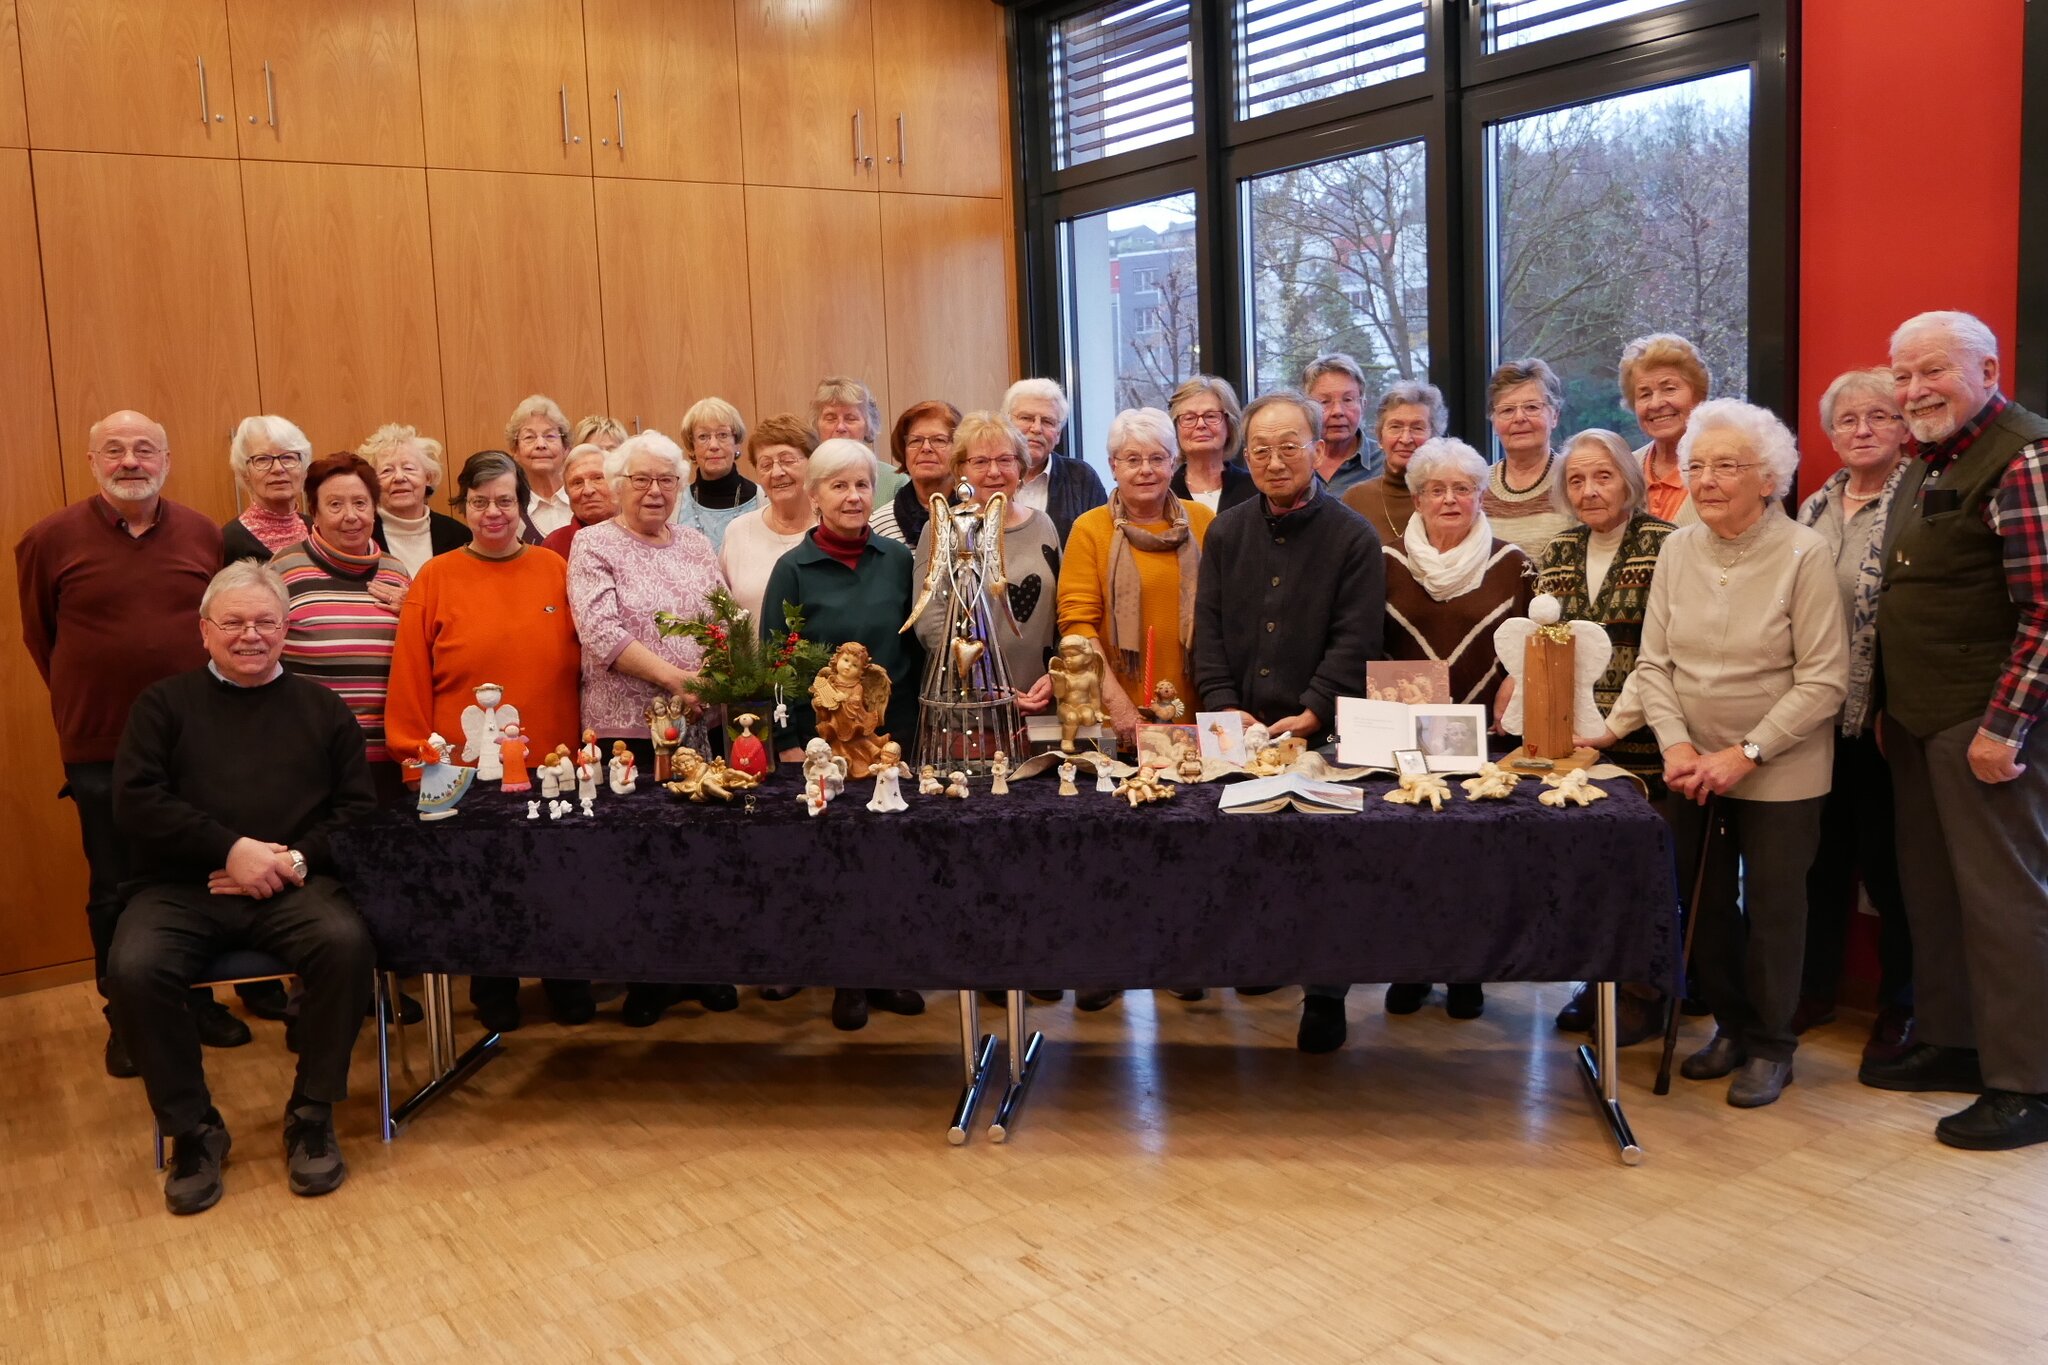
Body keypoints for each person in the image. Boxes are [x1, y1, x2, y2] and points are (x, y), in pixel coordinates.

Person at [106, 560, 377, 1214]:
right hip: (185, 883)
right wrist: (231, 848)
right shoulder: (163, 704)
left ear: (286, 629)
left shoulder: (321, 707)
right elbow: (136, 802)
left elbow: (357, 809)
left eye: (265, 621)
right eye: (233, 622)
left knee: (345, 944)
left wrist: (294, 859)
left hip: (293, 883)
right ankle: (193, 1130)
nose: (249, 634)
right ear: (204, 631)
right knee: (134, 968)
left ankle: (310, 1112)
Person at [15, 409, 249, 1074]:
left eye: (144, 449)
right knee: (116, 884)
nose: (130, 461)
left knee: (202, 872)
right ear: (93, 462)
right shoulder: (49, 538)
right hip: (101, 744)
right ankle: (129, 1016)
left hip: (200, 739)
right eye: (114, 450)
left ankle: (196, 1001)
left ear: (166, 460)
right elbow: (43, 637)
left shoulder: (204, 533)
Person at [1864, 310, 2048, 1151]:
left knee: (2006, 904)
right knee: (1933, 894)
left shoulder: (2024, 454)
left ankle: (2028, 1082)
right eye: (1901, 375)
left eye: (1930, 371)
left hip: (1986, 728)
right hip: (1918, 720)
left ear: (1987, 368)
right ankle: (1952, 1040)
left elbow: (2046, 612)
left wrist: (2003, 727)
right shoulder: (1926, 459)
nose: (1912, 390)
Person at [1636, 400, 1848, 1109]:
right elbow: (1653, 664)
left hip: (1780, 763)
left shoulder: (1804, 554)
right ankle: (1728, 1024)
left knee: (1774, 905)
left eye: (1727, 466)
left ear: (1770, 479)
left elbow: (1824, 680)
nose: (1708, 479)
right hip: (1691, 762)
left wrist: (1746, 753)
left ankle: (1772, 1044)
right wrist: (1676, 744)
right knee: (1703, 904)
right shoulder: (1676, 547)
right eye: (1697, 466)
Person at [1191, 390, 1383, 1055]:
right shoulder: (1226, 529)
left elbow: (1357, 638)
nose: (1275, 461)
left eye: (1289, 446)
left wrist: (1315, 706)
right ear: (1247, 456)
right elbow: (1207, 628)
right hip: (1239, 726)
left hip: (1320, 728)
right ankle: (1260, 954)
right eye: (1261, 449)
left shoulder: (1353, 535)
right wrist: (1219, 699)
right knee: (1247, 853)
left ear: (1318, 449)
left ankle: (1325, 993)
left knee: (1322, 862)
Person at [386, 450, 590, 1032]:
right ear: (463, 507)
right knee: (483, 878)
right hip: (461, 766)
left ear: (523, 505)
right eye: (480, 502)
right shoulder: (436, 576)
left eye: (505, 500)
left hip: (551, 761)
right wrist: (416, 762)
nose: (493, 512)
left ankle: (565, 977)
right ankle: (492, 986)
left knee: (557, 875)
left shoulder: (554, 569)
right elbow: (409, 675)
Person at [757, 439, 927, 1032]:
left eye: (861, 485)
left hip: (893, 734)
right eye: (838, 486)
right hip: (820, 744)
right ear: (814, 496)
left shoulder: (899, 561)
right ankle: (847, 978)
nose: (853, 496)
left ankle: (890, 969)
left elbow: (917, 647)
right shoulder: (793, 570)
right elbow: (777, 661)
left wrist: (911, 732)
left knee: (890, 854)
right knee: (835, 857)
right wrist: (792, 740)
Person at [565, 431, 734, 1026]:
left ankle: (700, 970)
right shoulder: (593, 545)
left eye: (667, 479)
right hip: (625, 730)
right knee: (636, 856)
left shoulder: (693, 543)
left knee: (697, 850)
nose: (655, 490)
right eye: (641, 479)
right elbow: (600, 632)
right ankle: (646, 979)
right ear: (618, 487)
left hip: (695, 727)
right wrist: (675, 679)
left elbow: (725, 620)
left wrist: (707, 681)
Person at [1377, 436, 1533, 1023]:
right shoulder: (1384, 562)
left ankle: (1468, 971)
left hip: (1485, 740)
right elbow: (1365, 640)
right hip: (1402, 737)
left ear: (1480, 496)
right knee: (1408, 855)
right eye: (1435, 489)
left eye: (1462, 489)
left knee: (1472, 857)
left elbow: (1535, 645)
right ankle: (1410, 965)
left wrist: (1518, 679)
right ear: (1416, 499)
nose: (1449, 499)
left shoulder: (1515, 565)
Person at [1536, 428, 1677, 1045]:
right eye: (1576, 480)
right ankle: (1596, 984)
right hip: (1573, 746)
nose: (1590, 491)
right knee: (1589, 871)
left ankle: (1650, 993)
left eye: (1603, 477)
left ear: (1629, 480)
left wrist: (1616, 729)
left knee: (1644, 875)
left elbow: (1665, 654)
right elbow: (1541, 647)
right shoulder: (1558, 551)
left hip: (1646, 740)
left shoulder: (1667, 545)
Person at [1790, 369, 1914, 1064]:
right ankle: (1814, 988)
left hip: (1882, 721)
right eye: (1847, 420)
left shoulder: (1920, 502)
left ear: (1903, 427)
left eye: (1879, 416)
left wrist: (1891, 703)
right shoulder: (1812, 508)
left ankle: (1902, 1004)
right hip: (1813, 719)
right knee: (1817, 862)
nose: (1862, 430)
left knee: (1892, 868)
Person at [1057, 407, 1215, 742]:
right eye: (1132, 459)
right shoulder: (1089, 529)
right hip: (1118, 714)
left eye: (1157, 458)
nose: (1146, 470)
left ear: (1173, 463)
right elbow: (1078, 627)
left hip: (1198, 709)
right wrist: (1119, 707)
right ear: (1113, 466)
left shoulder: (1205, 522)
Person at [912, 412, 1063, 716]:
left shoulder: (1043, 524)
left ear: (1020, 466)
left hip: (1042, 706)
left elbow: (1063, 610)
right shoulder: (943, 527)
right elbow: (930, 623)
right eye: (980, 462)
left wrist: (1058, 674)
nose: (994, 471)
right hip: (968, 711)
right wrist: (987, 684)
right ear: (960, 470)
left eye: (1005, 460)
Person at [270, 454, 411, 773]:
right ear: (314, 513)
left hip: (388, 757)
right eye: (335, 505)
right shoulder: (282, 571)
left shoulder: (397, 573)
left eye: (361, 503)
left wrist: (415, 612)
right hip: (311, 756)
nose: (351, 516)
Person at [719, 416, 817, 622]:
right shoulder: (738, 531)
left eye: (787, 460)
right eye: (765, 465)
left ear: (813, 463)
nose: (777, 472)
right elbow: (723, 611)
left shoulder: (833, 527)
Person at [1481, 358, 1574, 558]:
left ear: (1555, 416)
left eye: (1531, 407)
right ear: (1494, 422)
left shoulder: (1575, 480)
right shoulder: (1475, 486)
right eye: (1507, 410)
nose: (1519, 418)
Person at [1619, 332, 1710, 527]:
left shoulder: (1732, 466)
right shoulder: (1623, 470)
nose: (1656, 404)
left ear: (1698, 395)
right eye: (1644, 394)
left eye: (1669, 389)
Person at [1001, 378, 1108, 542]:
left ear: (1058, 434)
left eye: (1047, 421)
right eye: (1027, 418)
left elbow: (1103, 543)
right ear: (1006, 423)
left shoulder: (1082, 478)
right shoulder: (986, 476)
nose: (1036, 428)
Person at [1343, 380, 1448, 546]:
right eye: (1395, 427)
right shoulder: (1355, 499)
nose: (1405, 439)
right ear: (1379, 437)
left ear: (1434, 437)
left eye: (1417, 428)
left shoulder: (1450, 498)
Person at [360, 423, 471, 573]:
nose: (399, 477)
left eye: (408, 468)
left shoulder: (458, 535)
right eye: (387, 470)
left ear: (428, 477)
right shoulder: (360, 535)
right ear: (372, 483)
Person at [221, 415, 312, 563]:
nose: (278, 468)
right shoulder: (229, 541)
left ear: (304, 470)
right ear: (245, 474)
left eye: (288, 457)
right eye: (262, 459)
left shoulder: (319, 530)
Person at [673, 396, 757, 553]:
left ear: (736, 442)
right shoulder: (675, 504)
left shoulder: (763, 500)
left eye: (722, 435)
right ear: (692, 447)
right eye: (703, 436)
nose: (713, 445)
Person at [871, 400, 960, 546]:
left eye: (938, 440)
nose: (926, 448)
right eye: (915, 441)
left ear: (959, 449)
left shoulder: (979, 515)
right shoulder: (878, 524)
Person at [1166, 375, 1256, 513]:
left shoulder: (1255, 489)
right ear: (1175, 428)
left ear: (1230, 426)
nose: (1201, 424)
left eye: (1211, 416)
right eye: (1189, 418)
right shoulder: (1164, 493)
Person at [1301, 353, 1383, 493]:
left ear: (1363, 405)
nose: (1337, 411)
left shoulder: (1385, 464)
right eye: (1324, 402)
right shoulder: (1295, 459)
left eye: (1348, 399)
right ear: (1308, 408)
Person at [812, 376, 899, 502]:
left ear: (868, 426)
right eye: (831, 418)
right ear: (817, 425)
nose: (840, 427)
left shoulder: (894, 482)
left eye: (850, 418)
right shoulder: (805, 479)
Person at [506, 394, 575, 537]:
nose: (540, 445)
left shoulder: (584, 499)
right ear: (515, 451)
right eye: (529, 437)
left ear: (566, 448)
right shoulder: (510, 509)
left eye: (550, 436)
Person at [540, 443, 619, 560]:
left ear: (618, 485)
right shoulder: (554, 546)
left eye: (598, 478)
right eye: (577, 483)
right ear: (567, 492)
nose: (588, 490)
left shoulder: (643, 536)